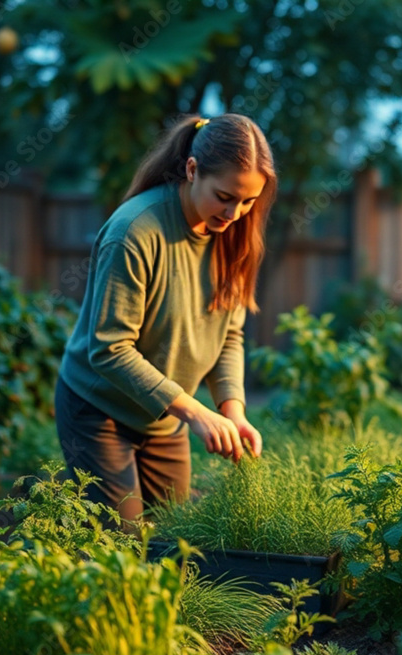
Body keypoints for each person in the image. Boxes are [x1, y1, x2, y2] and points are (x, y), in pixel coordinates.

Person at [55, 113, 276, 525]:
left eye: (248, 202)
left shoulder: (232, 238)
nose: (235, 213)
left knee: (175, 543)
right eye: (225, 196)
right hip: (98, 411)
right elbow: (109, 348)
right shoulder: (136, 231)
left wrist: (232, 410)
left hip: (164, 419)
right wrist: (195, 411)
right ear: (192, 170)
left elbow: (228, 335)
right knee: (120, 548)